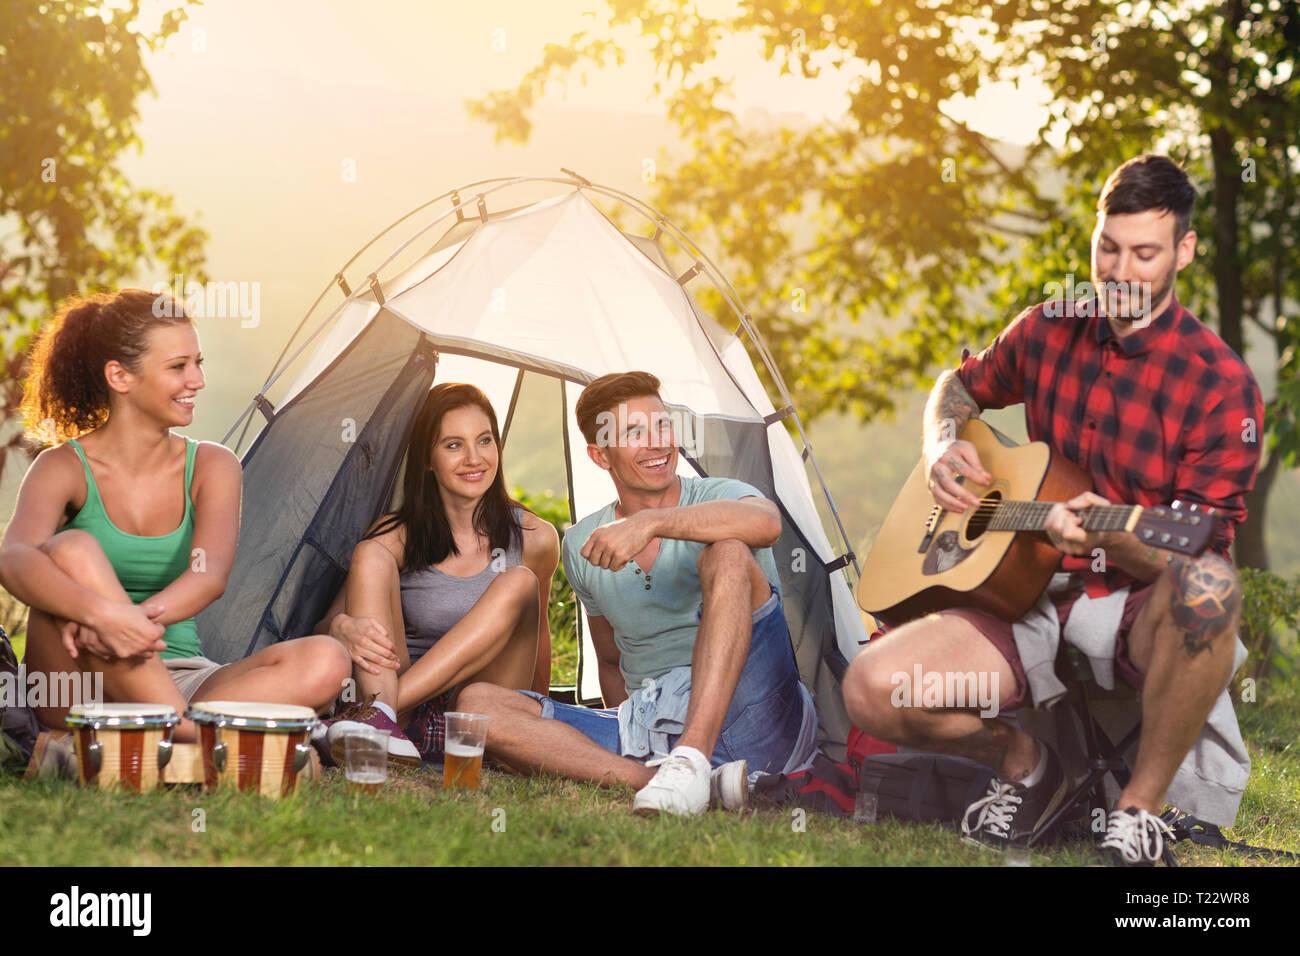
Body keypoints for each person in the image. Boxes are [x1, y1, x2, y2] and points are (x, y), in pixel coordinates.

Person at [841, 155, 1263, 864]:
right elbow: (960, 385)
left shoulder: (1221, 384)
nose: (1119, 271)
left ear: (1184, 251)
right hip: (1022, 594)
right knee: (873, 690)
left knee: (1213, 586)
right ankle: (1026, 763)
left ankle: (1137, 814)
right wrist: (941, 442)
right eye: (1107, 247)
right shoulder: (1047, 327)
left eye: (1145, 253)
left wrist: (1118, 536)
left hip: (1135, 605)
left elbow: (1199, 543)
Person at [457, 371, 818, 816]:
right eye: (634, 432)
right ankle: (667, 779)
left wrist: (648, 523)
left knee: (726, 552)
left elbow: (767, 524)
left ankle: (690, 761)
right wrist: (623, 739)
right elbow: (610, 661)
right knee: (477, 705)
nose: (658, 443)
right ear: (599, 456)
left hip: (757, 708)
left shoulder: (720, 495)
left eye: (662, 425)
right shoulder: (582, 544)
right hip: (654, 728)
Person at [0, 289, 352, 742]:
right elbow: (14, 558)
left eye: (198, 362)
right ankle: (196, 736)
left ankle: (173, 730)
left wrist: (128, 624)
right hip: (75, 679)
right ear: (120, 376)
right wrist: (102, 617)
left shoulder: (212, 465)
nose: (198, 380)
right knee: (72, 550)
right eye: (178, 367)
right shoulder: (63, 466)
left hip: (181, 677)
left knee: (328, 659)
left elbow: (209, 576)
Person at [314, 383, 558, 766]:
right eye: (454, 445)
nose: (474, 459)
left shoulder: (535, 538)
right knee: (370, 554)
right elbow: (324, 627)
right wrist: (340, 628)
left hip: (476, 717)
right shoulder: (395, 535)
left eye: (484, 441)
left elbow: (537, 641)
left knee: (519, 581)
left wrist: (534, 734)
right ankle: (383, 719)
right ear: (428, 458)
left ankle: (376, 715)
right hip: (407, 722)